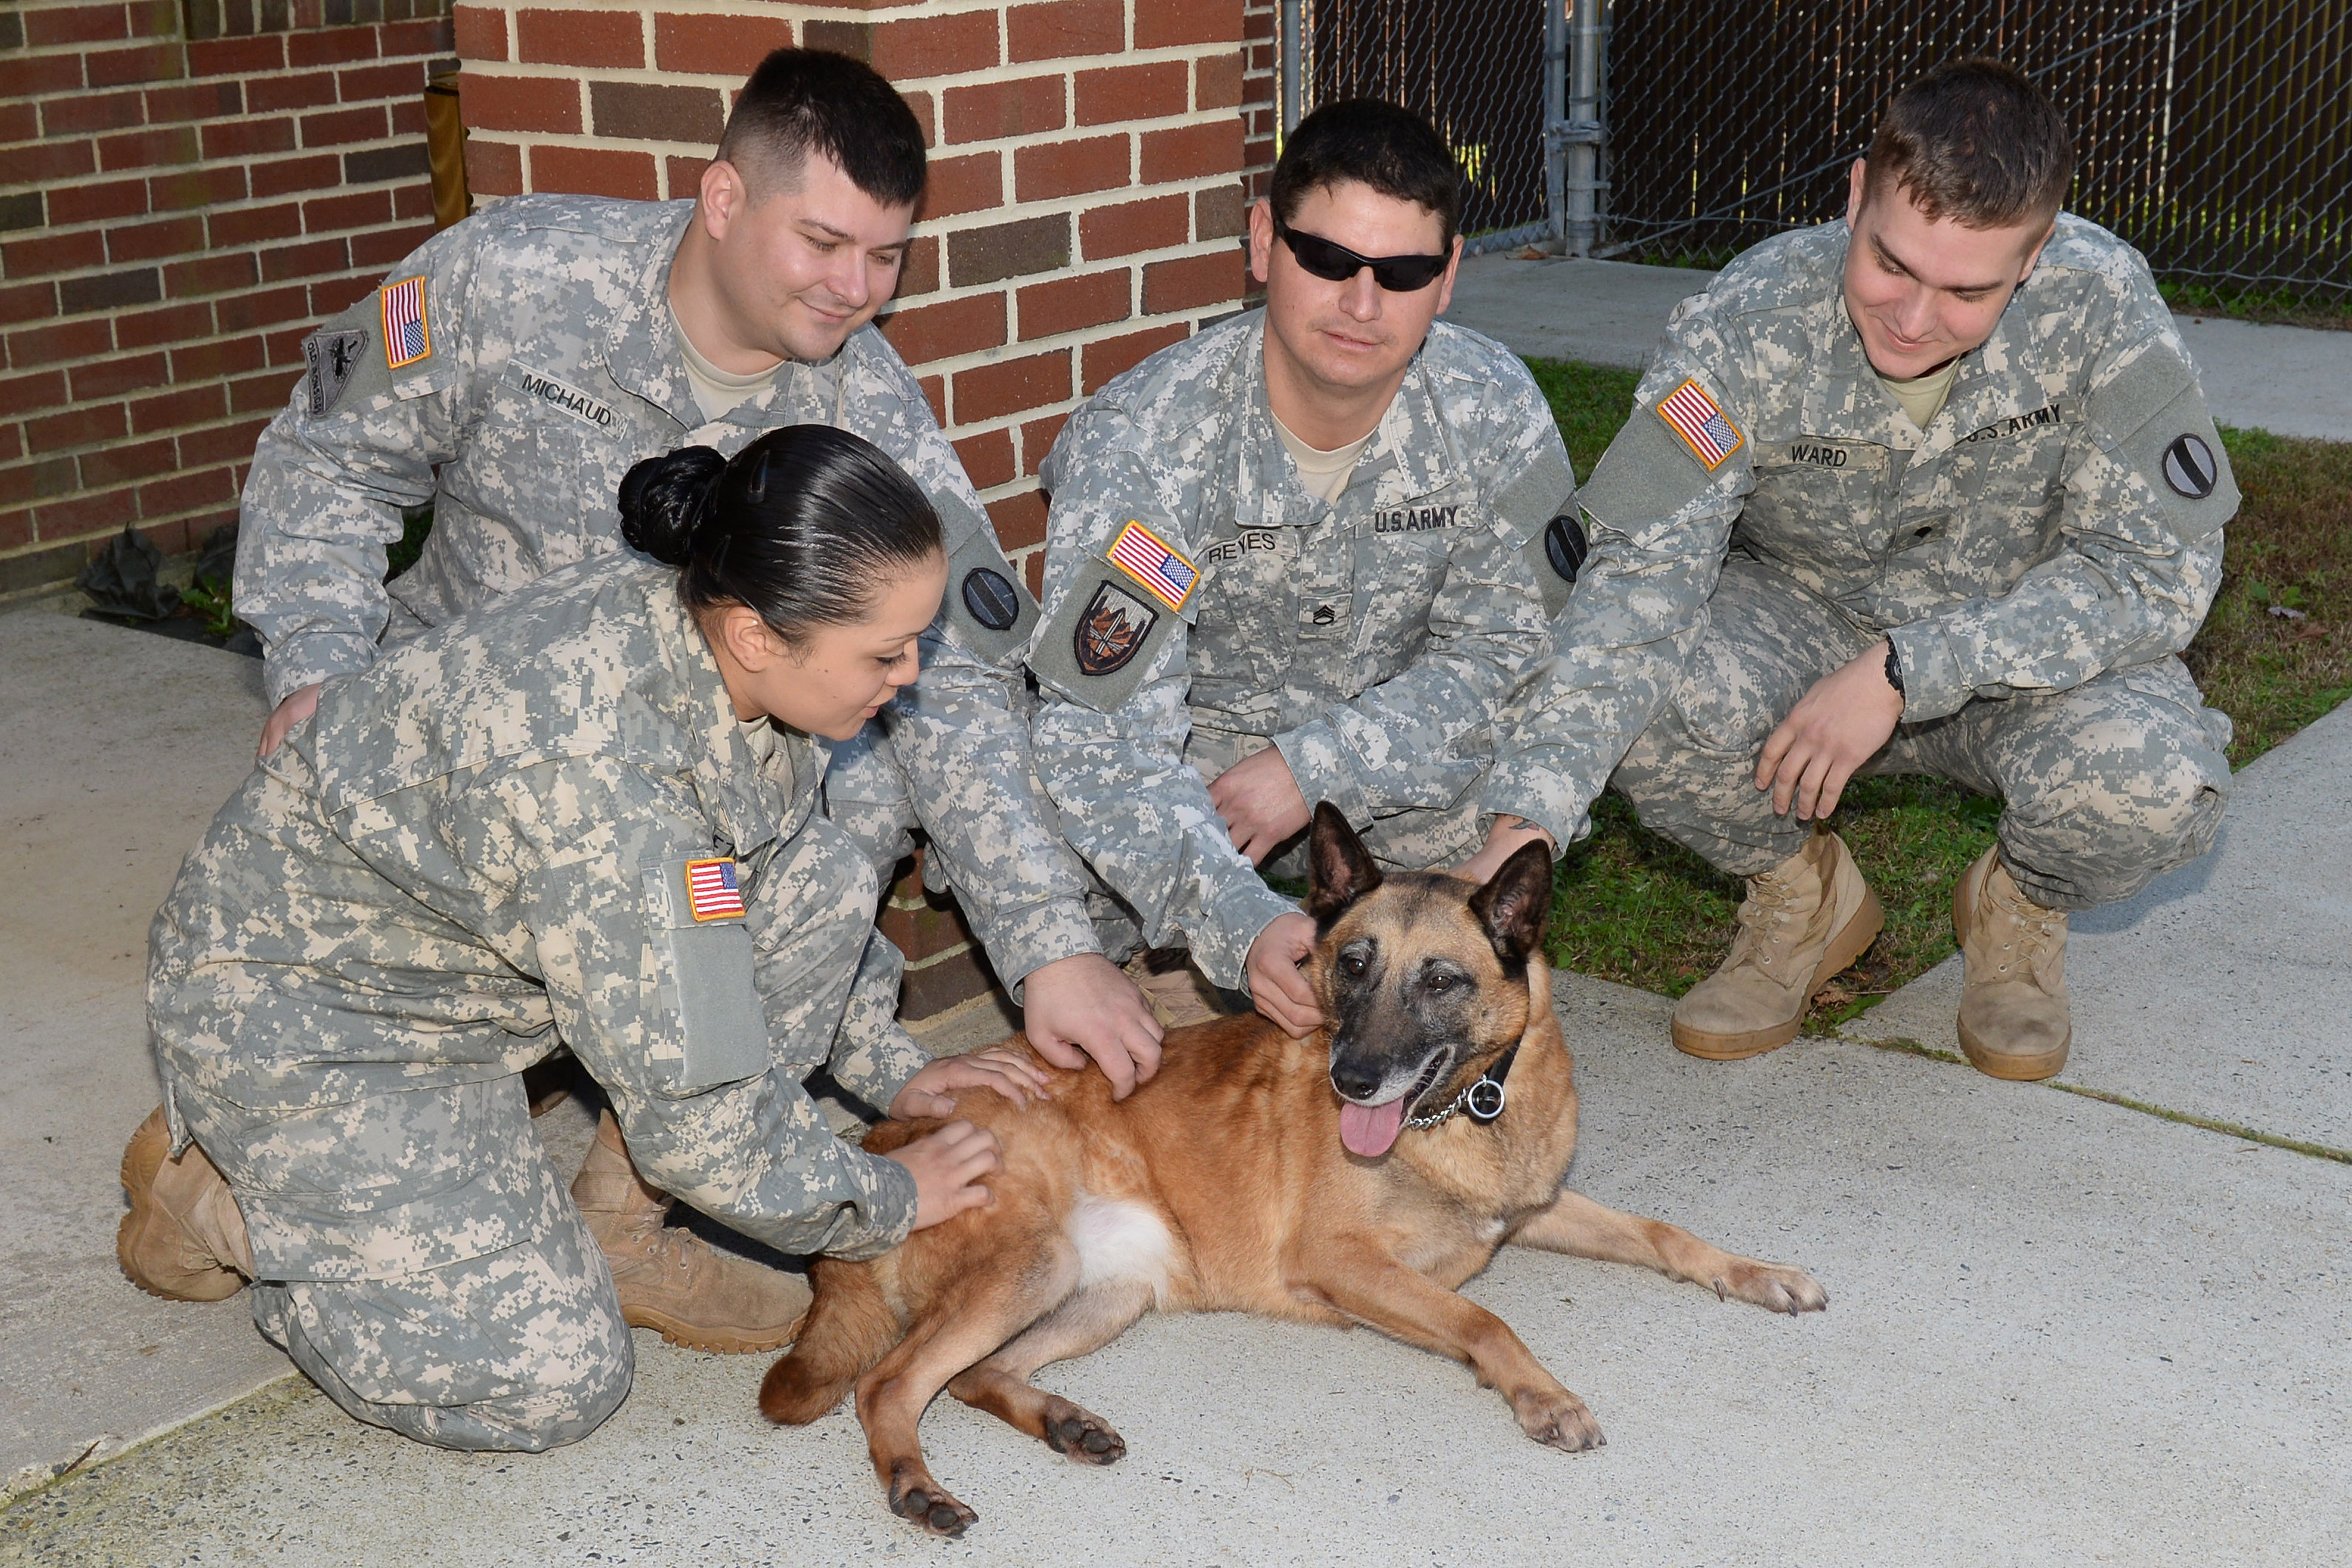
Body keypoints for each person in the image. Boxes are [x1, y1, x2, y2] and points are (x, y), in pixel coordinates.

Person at [228, 48, 1159, 1341]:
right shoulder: (514, 276)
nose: (857, 290)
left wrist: (1047, 943)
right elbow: (327, 461)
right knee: (441, 1232)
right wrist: (318, 667)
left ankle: (640, 1200)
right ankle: (247, 1172)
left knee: (855, 785)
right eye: (825, 241)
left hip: (676, 804)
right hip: (470, 779)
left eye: (889, 256)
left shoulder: (867, 403)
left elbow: (944, 679)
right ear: (723, 199)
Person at [121, 425, 1050, 1451]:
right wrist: (885, 1198)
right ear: (756, 634)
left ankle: (616, 1227)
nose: (910, 673)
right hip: (314, 1014)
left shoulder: (714, 626)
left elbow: (775, 874)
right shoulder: (614, 794)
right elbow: (700, 1114)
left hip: (487, 959)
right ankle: (234, 1200)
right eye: (886, 652)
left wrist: (887, 1072)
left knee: (827, 877)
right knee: (550, 1383)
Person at [1472, 59, 2235, 1080]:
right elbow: (1634, 575)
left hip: (2022, 646)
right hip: (1804, 623)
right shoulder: (1749, 319)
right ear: (1853, 200)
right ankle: (1802, 898)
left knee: (2156, 786)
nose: (1915, 317)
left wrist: (1905, 670)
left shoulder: (2101, 303)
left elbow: (2157, 573)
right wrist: (1525, 820)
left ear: (2037, 253)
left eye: (1969, 290)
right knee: (1653, 698)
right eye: (1891, 265)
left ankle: (2019, 908)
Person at [1026, 100, 1579, 1038]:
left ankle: (1423, 958)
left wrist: (1313, 766)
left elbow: (1512, 654)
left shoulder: (1493, 410)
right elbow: (1103, 732)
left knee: (1530, 776)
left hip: (1397, 760)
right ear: (1262, 243)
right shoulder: (1151, 438)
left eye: (1401, 273)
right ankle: (1180, 961)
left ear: (1446, 279)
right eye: (1327, 260)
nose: (1361, 305)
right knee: (1039, 805)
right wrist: (1232, 924)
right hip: (1197, 775)